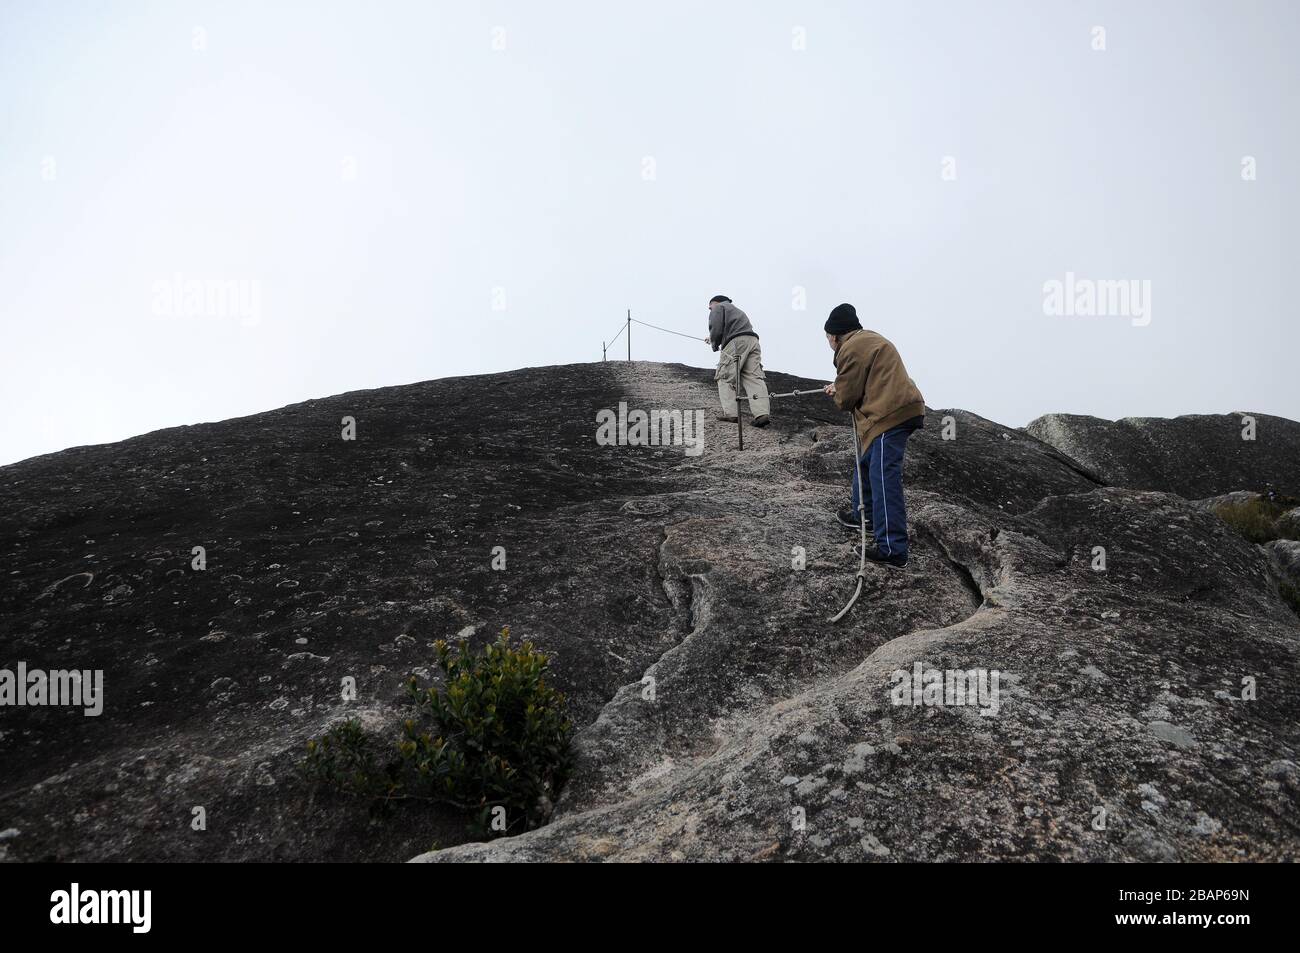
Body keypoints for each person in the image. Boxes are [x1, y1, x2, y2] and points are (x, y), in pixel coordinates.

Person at [822, 303, 925, 568]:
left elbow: (847, 398)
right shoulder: (869, 339)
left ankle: (892, 548)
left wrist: (838, 392)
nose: (829, 344)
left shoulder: (851, 348)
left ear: (834, 336)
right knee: (865, 463)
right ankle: (863, 516)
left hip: (888, 415)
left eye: (827, 338)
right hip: (891, 413)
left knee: (883, 477)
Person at [705, 295, 771, 427]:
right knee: (753, 377)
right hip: (752, 341)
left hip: (735, 343)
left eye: (710, 306)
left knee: (724, 375)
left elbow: (716, 327)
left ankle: (731, 414)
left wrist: (714, 343)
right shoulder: (737, 311)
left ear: (715, 302)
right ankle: (761, 413)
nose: (709, 309)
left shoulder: (719, 307)